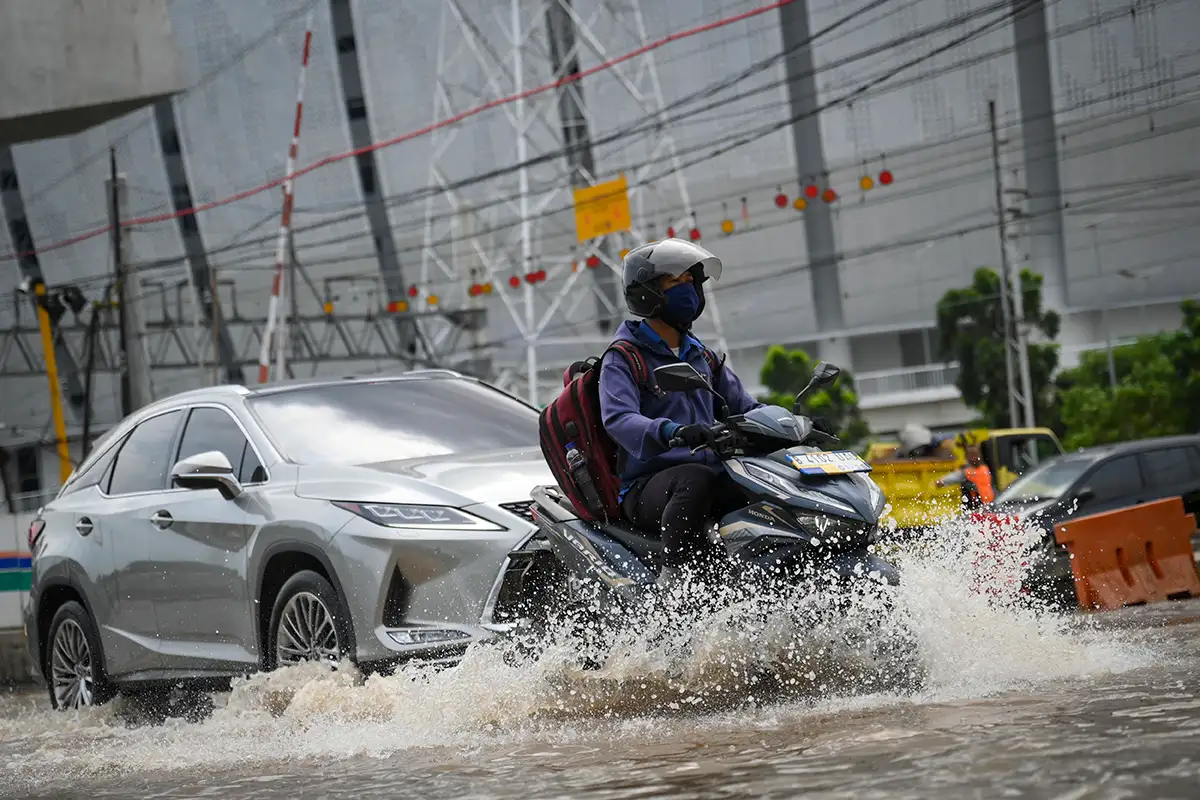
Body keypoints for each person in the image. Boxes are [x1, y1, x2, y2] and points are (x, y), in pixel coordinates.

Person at [598, 239, 762, 591]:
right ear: (648, 292)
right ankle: (674, 582)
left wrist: (795, 424)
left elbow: (746, 407)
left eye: (692, 280)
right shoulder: (624, 357)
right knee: (695, 478)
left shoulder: (701, 355)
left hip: (711, 471)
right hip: (650, 487)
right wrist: (674, 431)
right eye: (676, 281)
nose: (688, 287)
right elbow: (619, 418)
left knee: (762, 484)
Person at [935, 444, 995, 509]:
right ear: (967, 457)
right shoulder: (967, 472)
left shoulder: (985, 468)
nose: (975, 457)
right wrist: (942, 481)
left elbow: (991, 487)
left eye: (976, 454)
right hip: (975, 508)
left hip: (990, 505)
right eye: (972, 455)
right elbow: (954, 477)